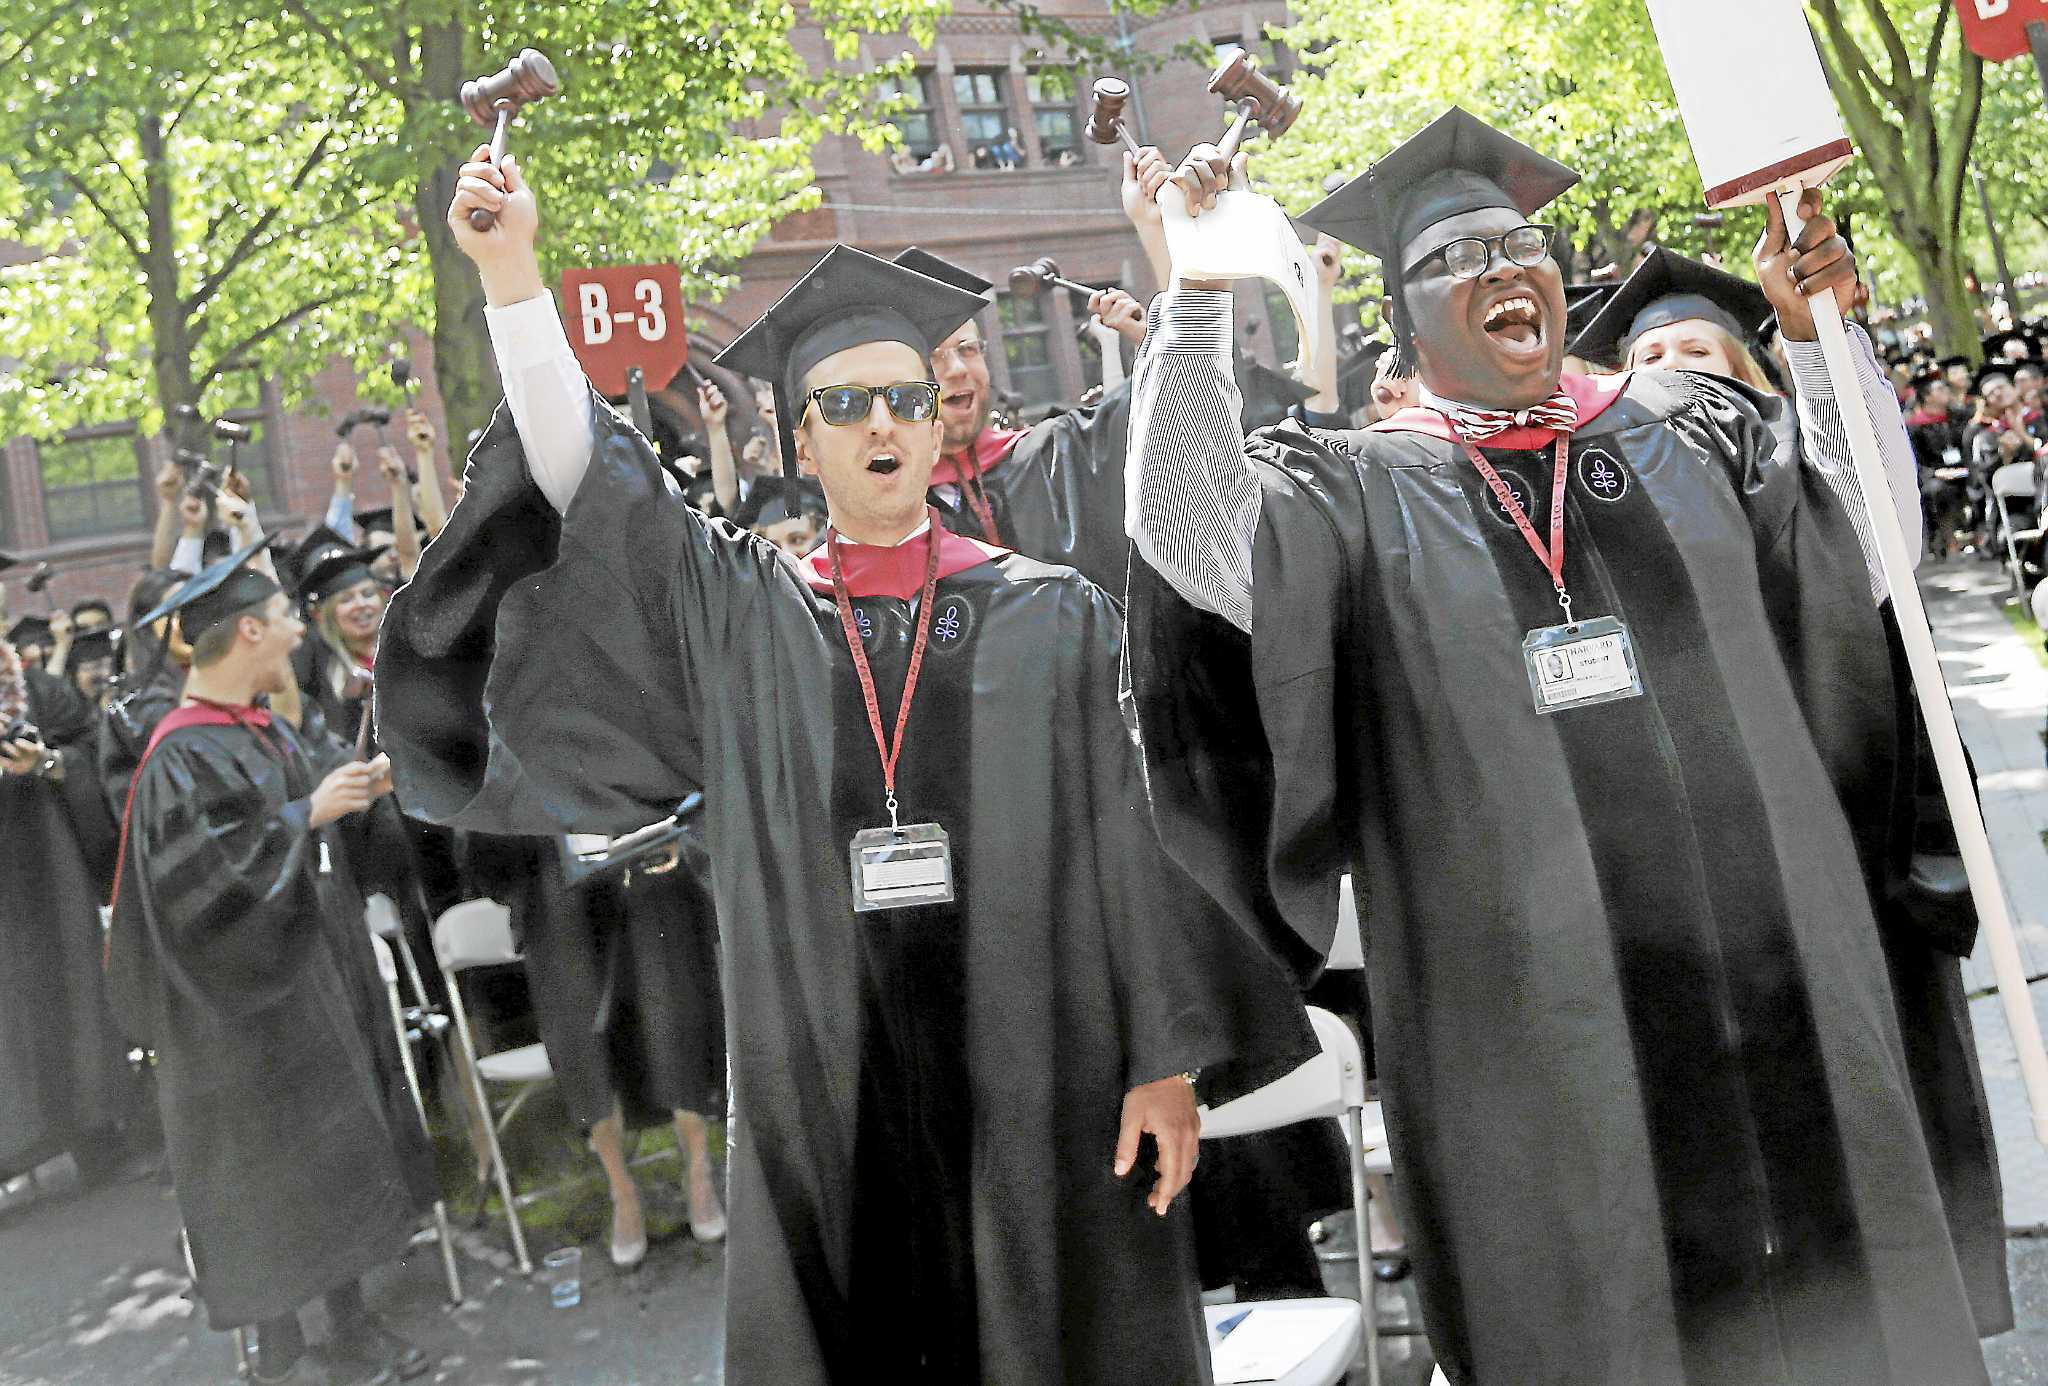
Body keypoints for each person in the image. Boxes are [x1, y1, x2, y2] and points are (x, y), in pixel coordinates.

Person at [380, 144, 1313, 1383]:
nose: (884, 422)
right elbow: (593, 484)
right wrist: (513, 279)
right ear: (798, 441)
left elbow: (1129, 848)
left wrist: (1160, 1057)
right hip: (826, 1080)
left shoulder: (1051, 614)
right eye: (846, 403)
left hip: (1044, 1071)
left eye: (908, 398)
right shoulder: (747, 613)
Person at [1124, 107, 2004, 1384]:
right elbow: (1189, 534)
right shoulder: (1353, 490)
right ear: (1401, 316)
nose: (1500, 269)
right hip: (1537, 1040)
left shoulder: (1684, 426)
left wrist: (1815, 342)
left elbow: (1863, 544)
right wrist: (1196, 296)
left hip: (1787, 989)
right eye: (1455, 258)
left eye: (1516, 244)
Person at [104, 536, 438, 1386]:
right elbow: (207, 890)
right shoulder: (181, 754)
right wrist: (304, 816)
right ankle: (293, 1344)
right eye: (287, 613)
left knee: (326, 1163)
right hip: (238, 1021)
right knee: (271, 1179)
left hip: (301, 994)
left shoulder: (259, 732)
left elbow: (305, 833)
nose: (299, 626)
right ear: (249, 630)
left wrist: (354, 797)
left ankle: (349, 1328)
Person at [0, 588, 130, 1191]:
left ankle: (96, 1139)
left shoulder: (38, 691)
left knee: (69, 990)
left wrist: (48, 764)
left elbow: (89, 753)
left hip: (47, 873)